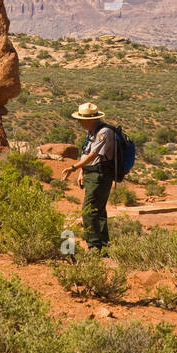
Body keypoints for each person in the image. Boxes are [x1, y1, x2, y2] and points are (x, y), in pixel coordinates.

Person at [63, 102, 116, 250]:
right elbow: (87, 152)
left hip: (100, 175)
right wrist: (82, 171)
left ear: (91, 119)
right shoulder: (92, 131)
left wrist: (74, 167)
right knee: (98, 211)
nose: (79, 122)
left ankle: (94, 247)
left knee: (89, 211)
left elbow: (93, 155)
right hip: (93, 173)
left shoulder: (104, 132)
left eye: (81, 119)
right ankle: (104, 247)